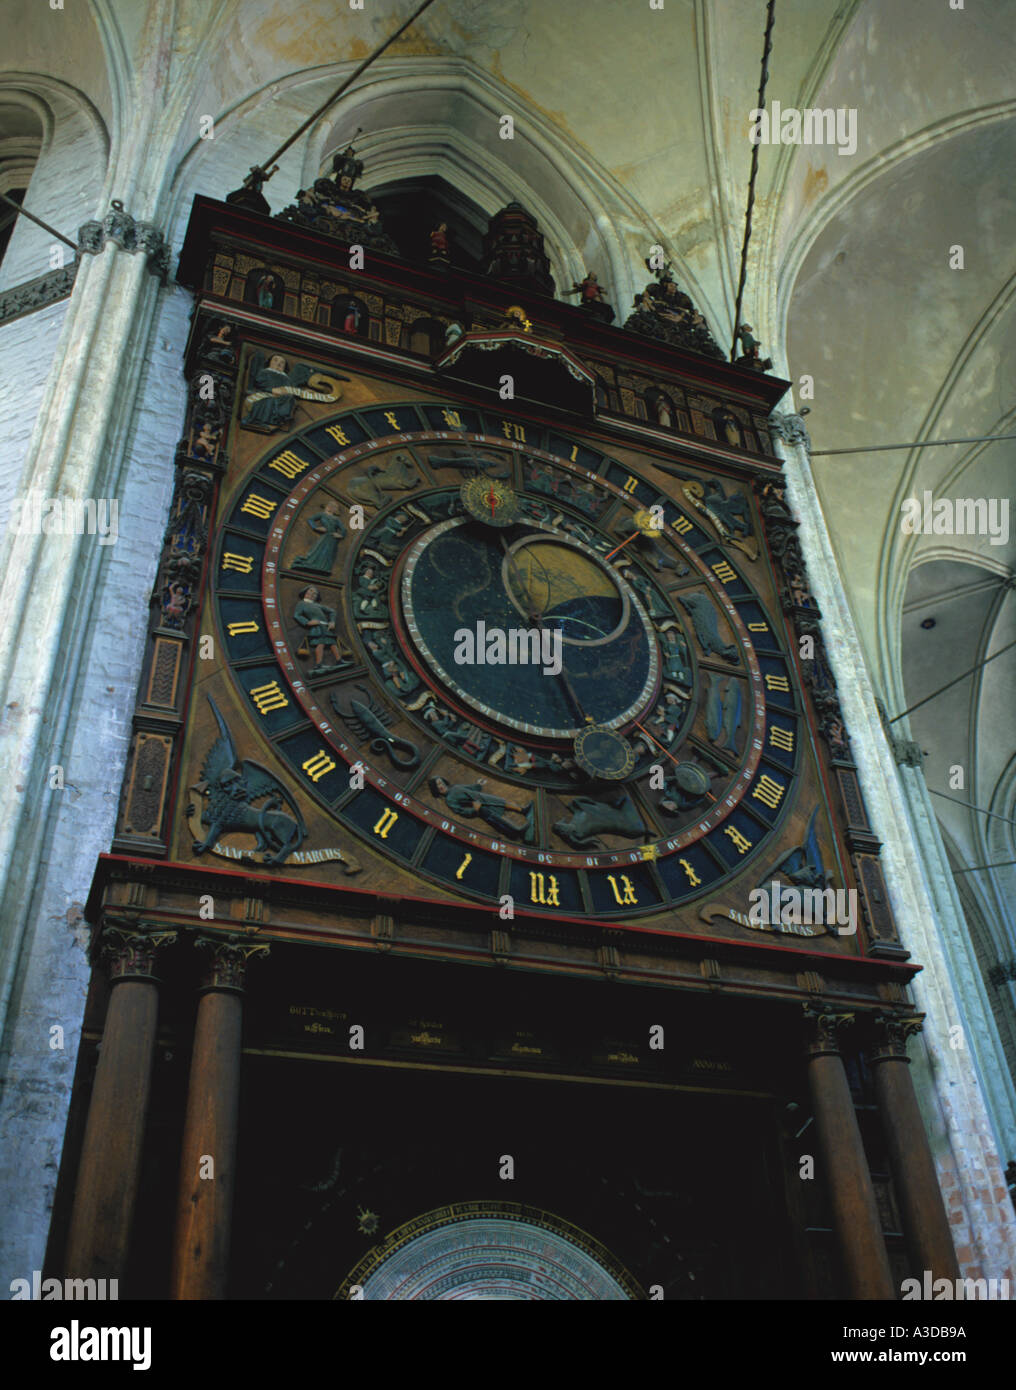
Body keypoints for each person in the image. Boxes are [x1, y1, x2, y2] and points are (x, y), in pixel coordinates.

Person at [293, 587, 352, 675]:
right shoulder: (302, 604)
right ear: (305, 593)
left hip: (325, 626)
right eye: (311, 591)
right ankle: (319, 664)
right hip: (317, 627)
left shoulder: (318, 605)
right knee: (320, 644)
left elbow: (332, 611)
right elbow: (297, 615)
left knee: (332, 643)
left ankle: (339, 660)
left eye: (315, 593)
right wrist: (307, 622)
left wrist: (332, 621)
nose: (313, 594)